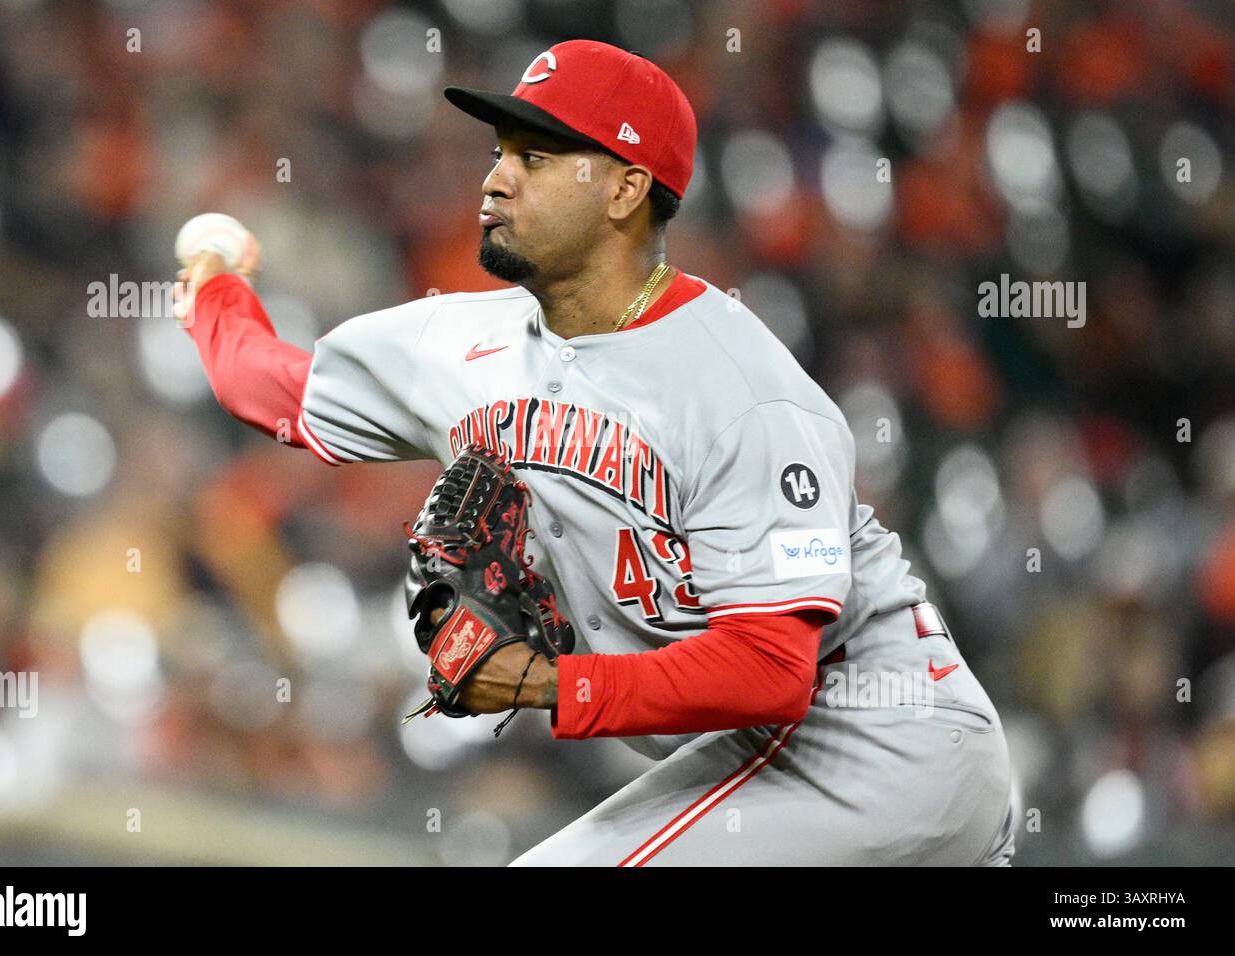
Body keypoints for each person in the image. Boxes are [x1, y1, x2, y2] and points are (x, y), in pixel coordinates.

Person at [174, 39, 1016, 866]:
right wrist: (214, 286)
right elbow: (272, 387)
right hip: (758, 761)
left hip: (879, 734)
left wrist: (542, 682)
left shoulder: (744, 391)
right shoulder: (461, 345)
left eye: (536, 157)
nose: (495, 178)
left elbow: (771, 668)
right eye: (500, 151)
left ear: (625, 189)